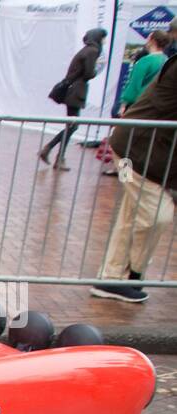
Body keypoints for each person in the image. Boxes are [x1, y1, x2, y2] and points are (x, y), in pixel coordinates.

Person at [92, 55, 177, 303]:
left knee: (133, 214)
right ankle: (131, 272)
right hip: (131, 155)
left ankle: (112, 277)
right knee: (155, 215)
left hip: (141, 156)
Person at [39, 29, 107, 171]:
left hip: (73, 90)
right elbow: (88, 73)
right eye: (103, 38)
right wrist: (96, 70)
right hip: (76, 91)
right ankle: (52, 150)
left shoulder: (86, 50)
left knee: (72, 125)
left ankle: (57, 155)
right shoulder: (93, 51)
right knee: (72, 125)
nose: (104, 41)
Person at [120, 30, 170, 112]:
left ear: (153, 41)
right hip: (157, 103)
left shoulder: (145, 61)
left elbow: (134, 84)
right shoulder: (166, 60)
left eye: (148, 38)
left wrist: (124, 104)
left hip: (139, 103)